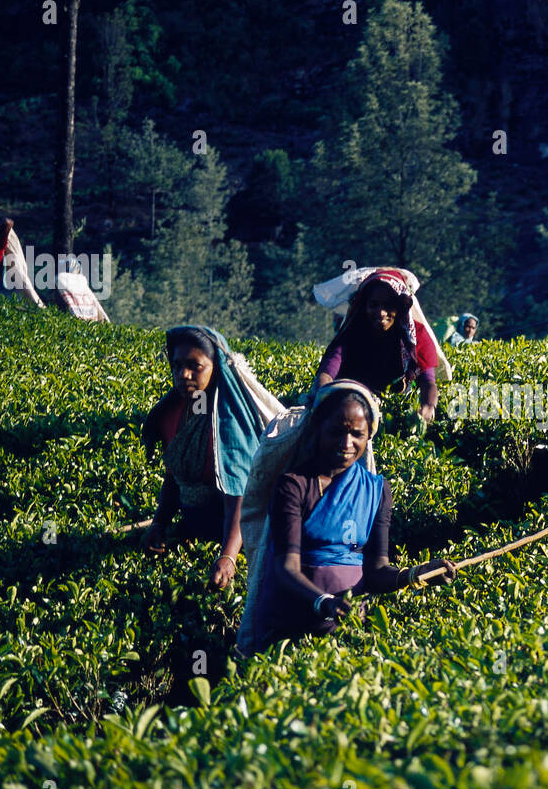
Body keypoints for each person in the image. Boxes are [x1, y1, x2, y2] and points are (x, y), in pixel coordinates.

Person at [236, 381, 456, 655]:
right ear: (317, 429)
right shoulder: (294, 485)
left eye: (356, 434)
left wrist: (416, 575)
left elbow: (376, 571)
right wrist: (323, 602)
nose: (346, 443)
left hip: (345, 626)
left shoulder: (376, 490)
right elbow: (286, 567)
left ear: (368, 436)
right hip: (289, 620)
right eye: (336, 432)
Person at [140, 325, 283, 588]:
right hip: (194, 526)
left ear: (215, 367)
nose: (183, 374)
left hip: (238, 534)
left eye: (196, 366)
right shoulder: (173, 412)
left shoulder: (229, 424)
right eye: (177, 365)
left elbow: (238, 496)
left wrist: (228, 556)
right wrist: (159, 523)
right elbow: (174, 478)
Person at [310, 269, 441, 423]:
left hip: (395, 400)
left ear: (399, 307)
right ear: (364, 306)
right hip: (353, 400)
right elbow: (327, 372)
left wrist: (428, 406)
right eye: (374, 305)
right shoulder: (353, 331)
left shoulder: (415, 335)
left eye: (388, 305)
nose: (381, 312)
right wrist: (324, 398)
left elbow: (428, 381)